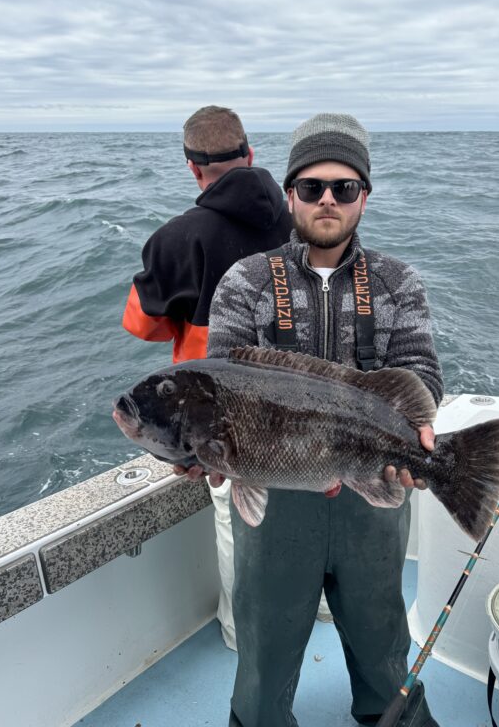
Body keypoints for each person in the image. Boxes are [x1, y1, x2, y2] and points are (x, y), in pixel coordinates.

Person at [199, 113, 444, 726]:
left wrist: (416, 439)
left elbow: (419, 371)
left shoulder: (398, 282)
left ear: (365, 196)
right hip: (277, 500)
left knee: (384, 639)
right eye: (311, 187)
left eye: (344, 187)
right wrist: (203, 450)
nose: (327, 200)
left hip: (372, 494)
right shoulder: (247, 281)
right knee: (265, 648)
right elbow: (219, 382)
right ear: (289, 195)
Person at [122, 105, 292, 649]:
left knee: (237, 520)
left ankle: (242, 633)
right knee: (313, 501)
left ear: (192, 167)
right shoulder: (303, 214)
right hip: (302, 404)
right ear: (250, 154)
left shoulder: (176, 238)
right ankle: (322, 611)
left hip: (222, 420)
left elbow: (142, 326)